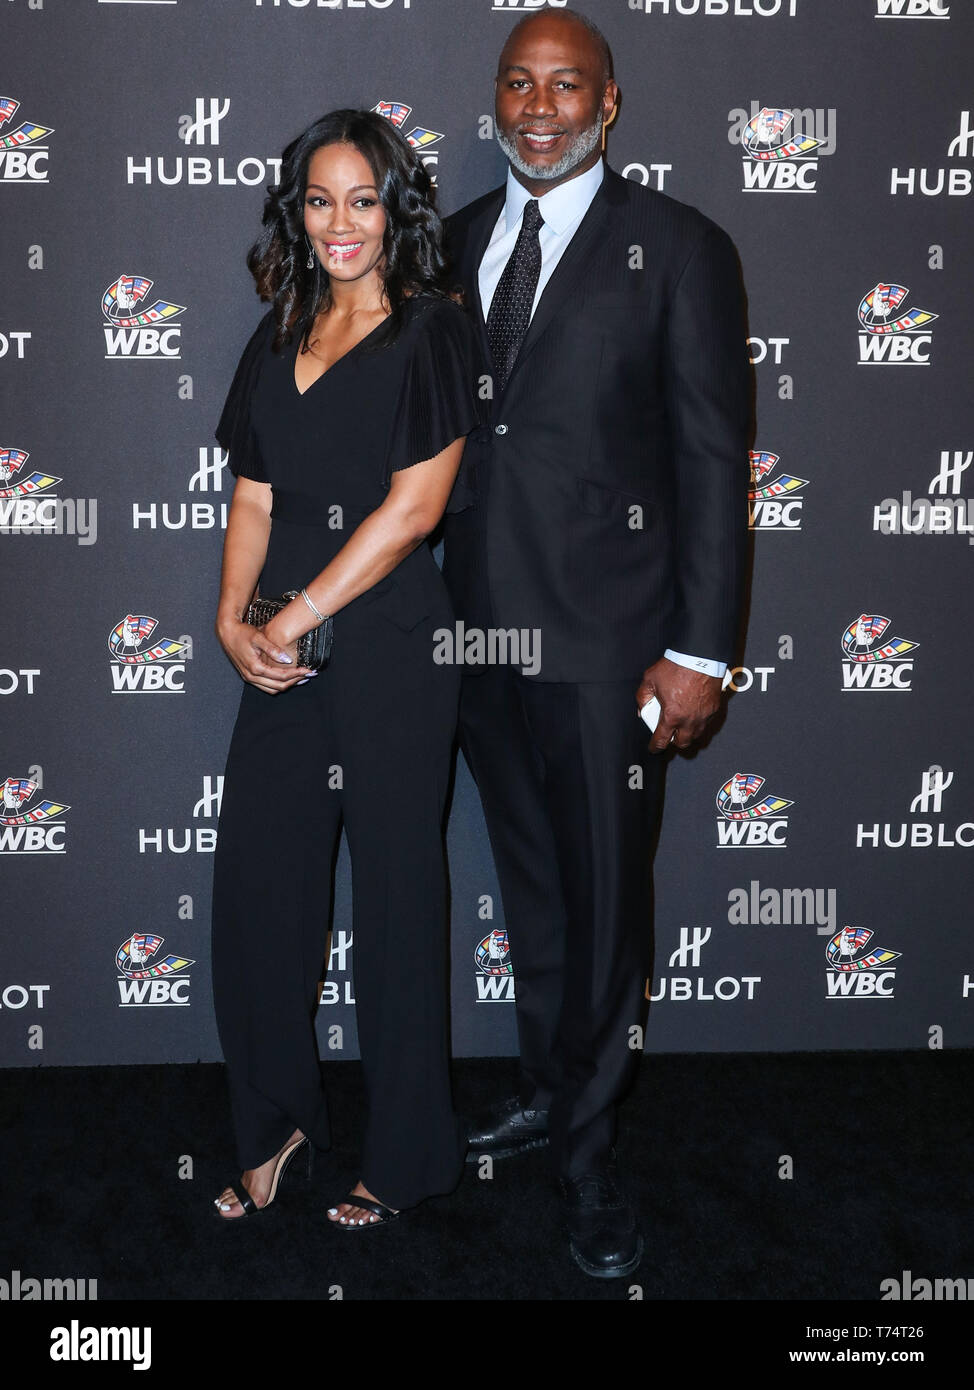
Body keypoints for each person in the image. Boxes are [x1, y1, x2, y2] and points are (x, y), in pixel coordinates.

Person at [442, 9, 751, 1277]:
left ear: (608, 104)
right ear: (494, 99)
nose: (538, 105)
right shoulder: (449, 245)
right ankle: (546, 1085)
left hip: (611, 647)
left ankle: (588, 1166)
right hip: (472, 647)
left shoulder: (678, 247)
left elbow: (707, 459)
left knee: (607, 910)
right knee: (534, 895)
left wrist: (700, 650)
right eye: (518, 82)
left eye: (566, 85)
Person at [210, 108, 485, 1228]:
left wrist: (299, 613)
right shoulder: (278, 329)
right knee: (260, 898)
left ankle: (404, 1154)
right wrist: (233, 618)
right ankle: (273, 1129)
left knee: (396, 904)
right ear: (296, 211)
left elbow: (413, 510)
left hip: (389, 654)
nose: (340, 223)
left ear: (394, 209)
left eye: (361, 199)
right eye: (318, 200)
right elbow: (254, 498)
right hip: (280, 655)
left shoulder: (433, 331)